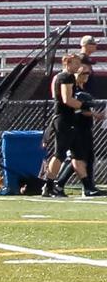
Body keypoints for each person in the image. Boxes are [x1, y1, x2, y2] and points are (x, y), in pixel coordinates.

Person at [51, 53, 102, 197]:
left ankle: (87, 187)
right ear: (67, 63)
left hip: (71, 121)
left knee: (78, 156)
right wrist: (86, 106)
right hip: (70, 122)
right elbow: (67, 100)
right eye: (76, 64)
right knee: (60, 154)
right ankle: (51, 185)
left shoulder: (70, 81)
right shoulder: (66, 77)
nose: (86, 74)